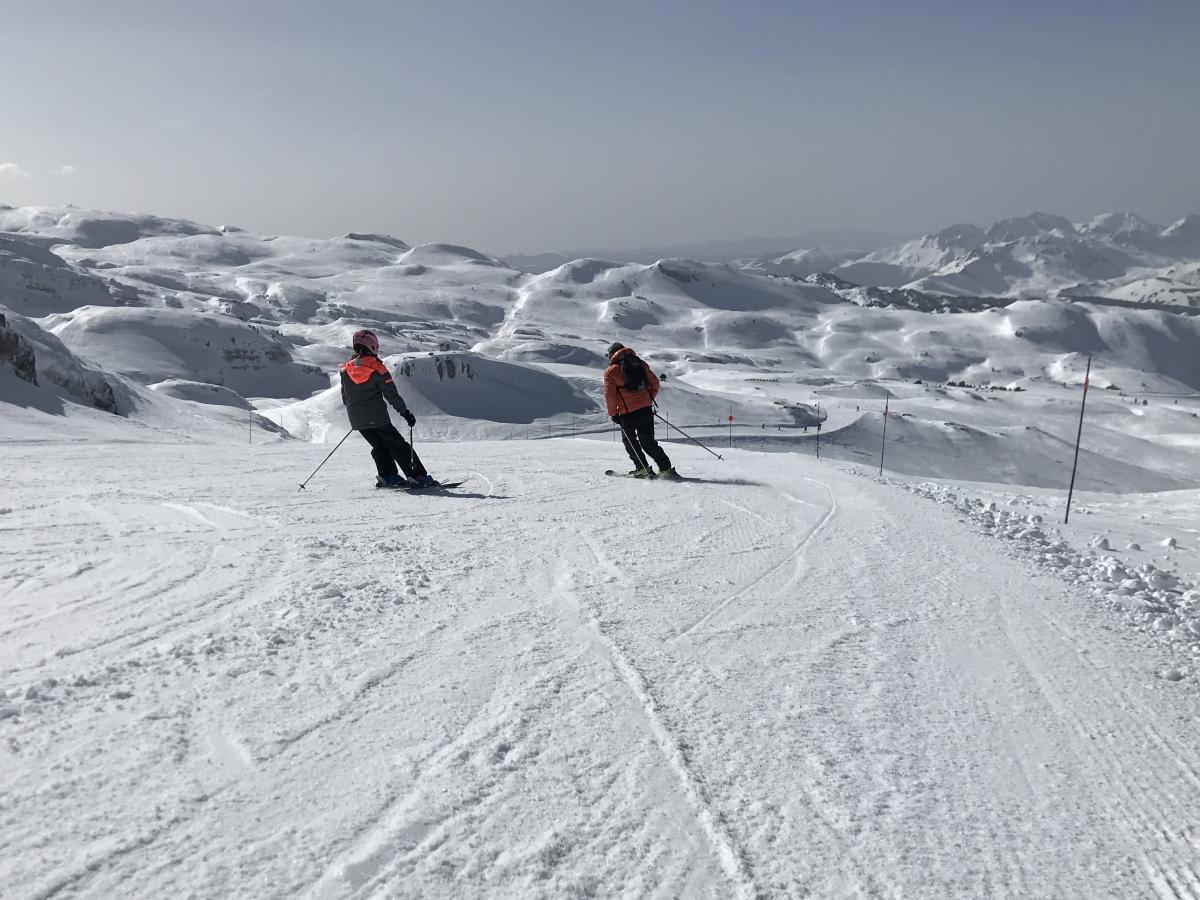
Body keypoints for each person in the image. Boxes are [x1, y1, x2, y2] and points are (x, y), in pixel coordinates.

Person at [340, 329, 438, 488]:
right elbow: (391, 394)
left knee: (380, 446)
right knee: (399, 446)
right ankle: (419, 477)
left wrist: (358, 414)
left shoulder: (346, 369)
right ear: (372, 345)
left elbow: (345, 397)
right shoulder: (377, 368)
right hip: (377, 418)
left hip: (357, 420)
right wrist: (405, 413)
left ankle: (388, 476)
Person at [603, 342, 675, 478]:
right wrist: (647, 399)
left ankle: (642, 469)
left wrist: (614, 414)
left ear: (612, 354)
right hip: (646, 410)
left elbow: (610, 396)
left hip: (627, 414)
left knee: (630, 441)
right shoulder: (641, 364)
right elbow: (655, 383)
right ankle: (666, 468)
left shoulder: (611, 371)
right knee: (648, 441)